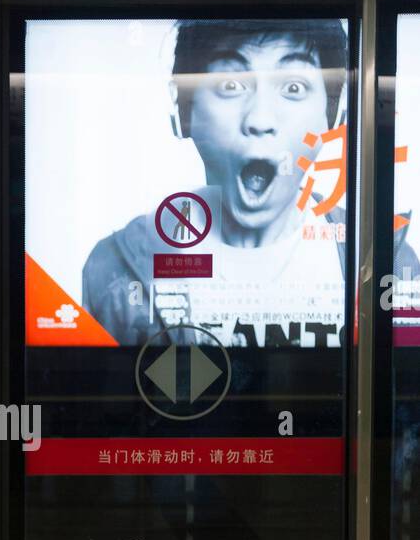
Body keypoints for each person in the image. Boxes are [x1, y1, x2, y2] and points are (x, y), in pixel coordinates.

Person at [81, 18, 390, 348]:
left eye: (293, 88)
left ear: (334, 114)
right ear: (183, 109)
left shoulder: (381, 258)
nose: (259, 120)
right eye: (231, 85)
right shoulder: (115, 269)